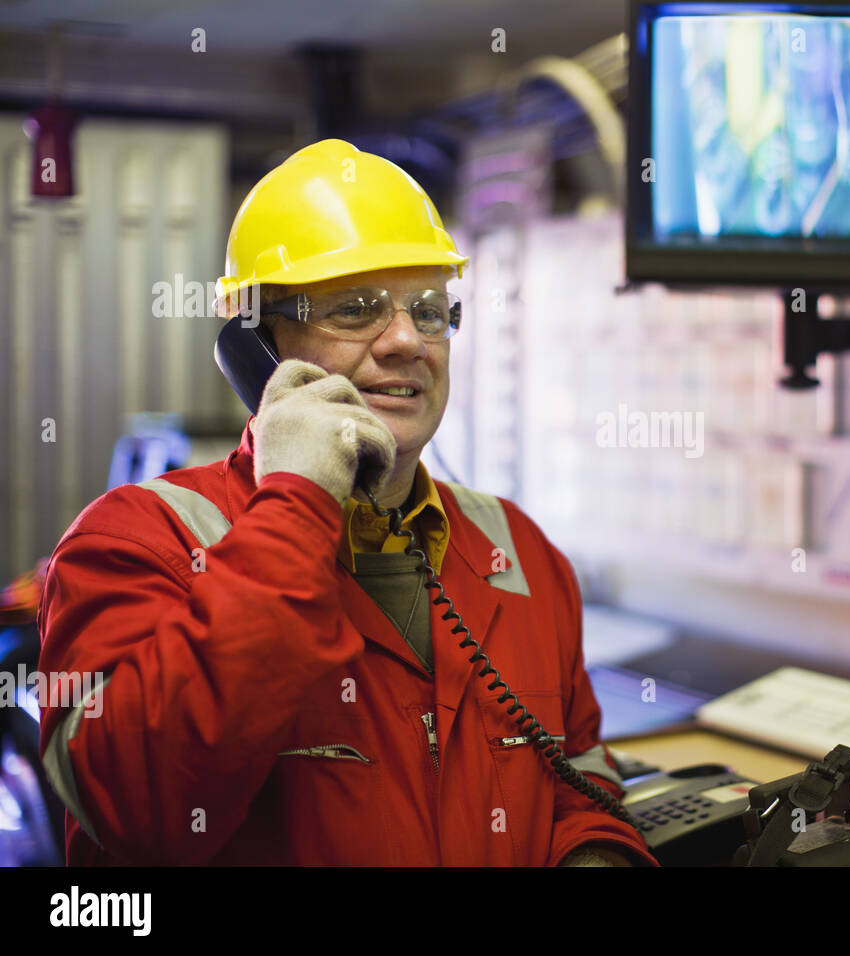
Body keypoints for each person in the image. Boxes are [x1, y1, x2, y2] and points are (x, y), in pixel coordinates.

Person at [36, 139, 656, 866]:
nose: (406, 342)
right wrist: (296, 503)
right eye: (356, 309)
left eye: (430, 311)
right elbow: (134, 811)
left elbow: (580, 779)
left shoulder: (517, 551)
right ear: (256, 345)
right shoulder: (136, 542)